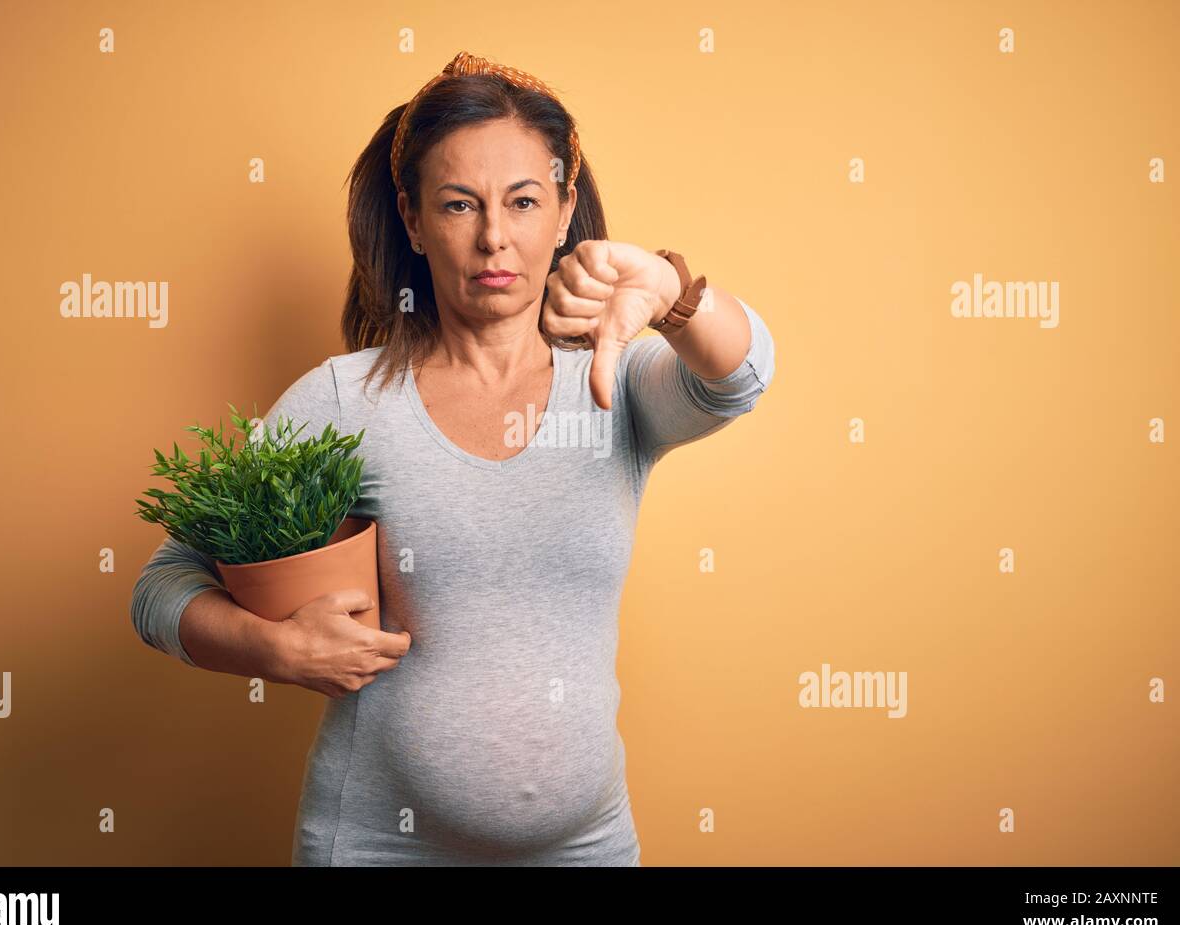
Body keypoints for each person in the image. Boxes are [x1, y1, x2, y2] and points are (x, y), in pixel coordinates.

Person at [130, 51, 776, 866]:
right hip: (372, 844)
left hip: (586, 847)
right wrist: (277, 651)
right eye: (459, 204)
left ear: (565, 208)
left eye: (524, 201)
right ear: (411, 218)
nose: (494, 237)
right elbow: (160, 588)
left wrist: (672, 290)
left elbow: (742, 377)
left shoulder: (617, 382)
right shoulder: (342, 402)